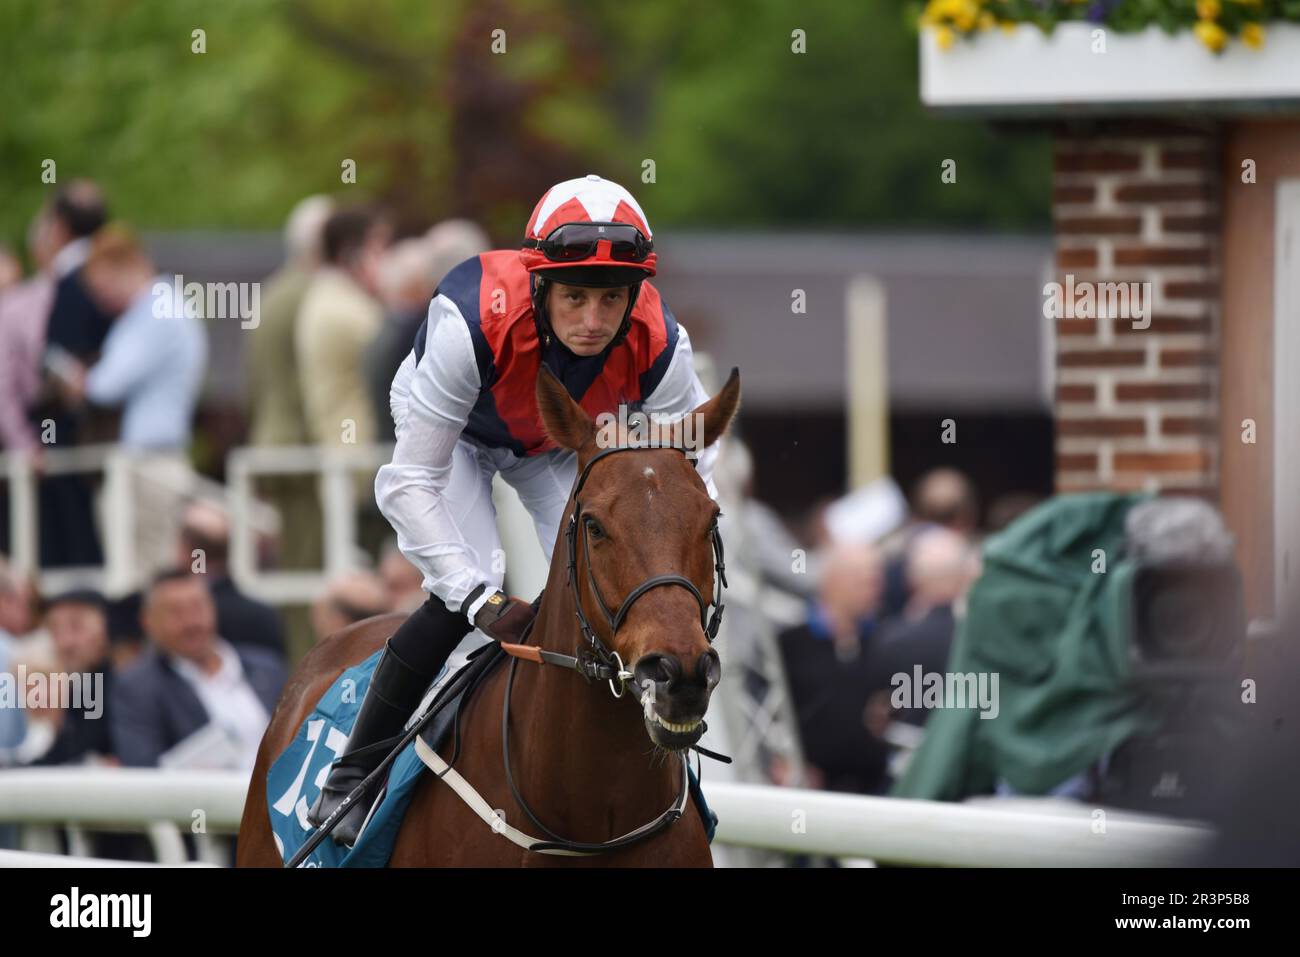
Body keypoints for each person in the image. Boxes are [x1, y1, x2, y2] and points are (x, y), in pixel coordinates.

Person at [308, 174, 724, 845]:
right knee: (469, 583)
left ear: (635, 295)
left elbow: (698, 475)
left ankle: (657, 770)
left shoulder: (660, 341)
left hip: (552, 444)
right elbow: (407, 482)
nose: (593, 320)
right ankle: (352, 775)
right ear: (540, 286)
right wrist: (478, 596)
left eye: (611, 299)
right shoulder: (469, 322)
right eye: (575, 297)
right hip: (455, 440)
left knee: (607, 581)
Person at [110, 570, 285, 770]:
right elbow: (142, 770)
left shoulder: (268, 667)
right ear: (148, 621)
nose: (191, 622)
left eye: (197, 607)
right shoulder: (137, 688)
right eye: (175, 612)